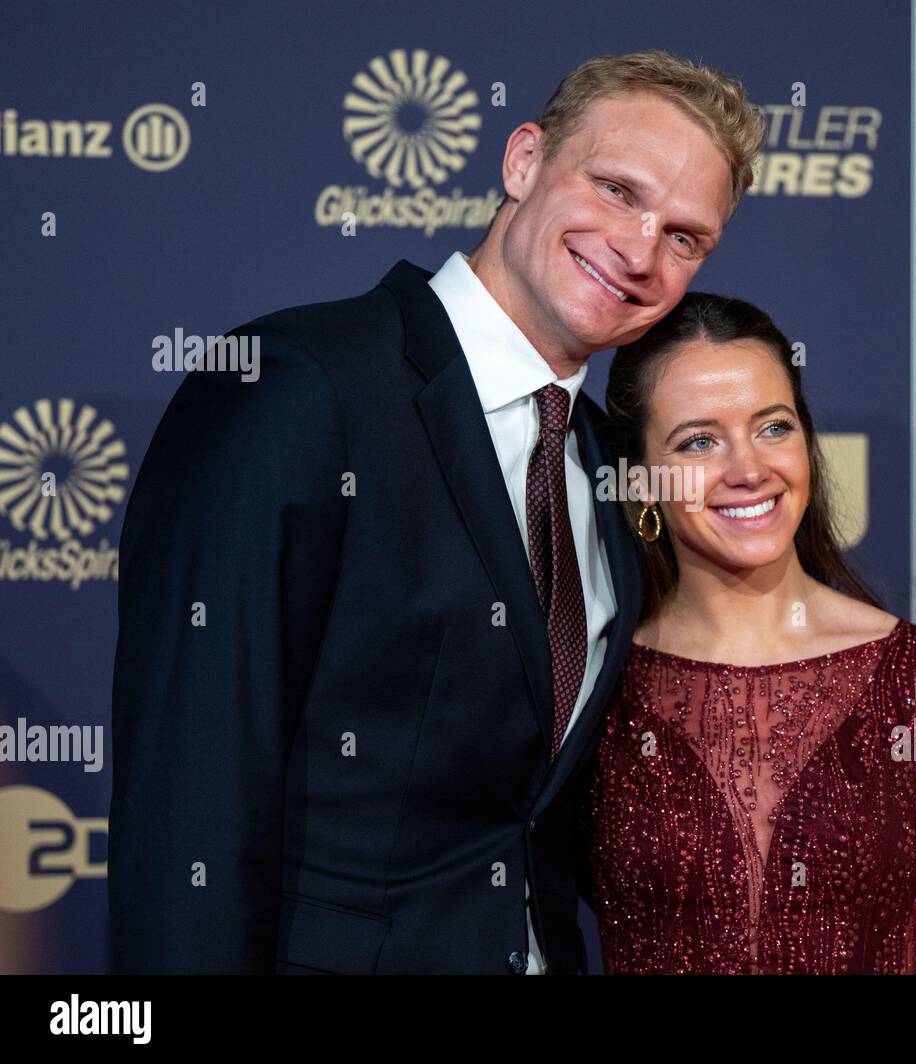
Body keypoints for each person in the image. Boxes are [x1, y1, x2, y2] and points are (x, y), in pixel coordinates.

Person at [108, 51, 766, 974]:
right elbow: (190, 787)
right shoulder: (300, 382)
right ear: (524, 161)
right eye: (617, 189)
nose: (640, 250)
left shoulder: (605, 461)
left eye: (685, 237)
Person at [580, 293, 916, 973]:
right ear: (639, 481)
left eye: (773, 427)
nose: (748, 469)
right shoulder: (592, 679)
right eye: (699, 441)